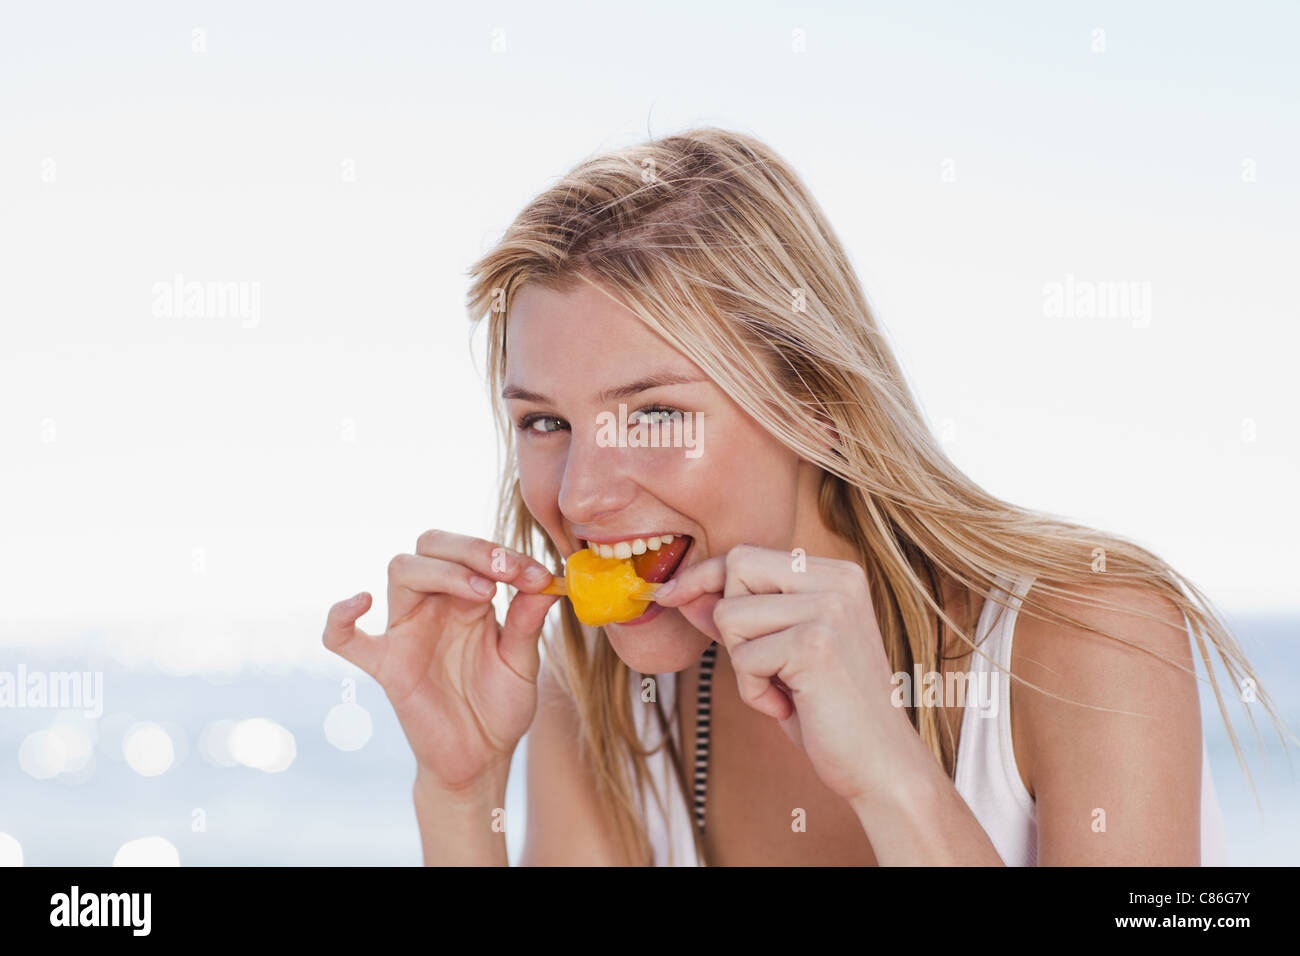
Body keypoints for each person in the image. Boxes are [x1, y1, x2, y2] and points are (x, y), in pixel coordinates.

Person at [322, 127, 1291, 866]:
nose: (578, 491)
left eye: (654, 412)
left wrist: (891, 775)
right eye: (543, 422)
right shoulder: (595, 696)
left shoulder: (1094, 633)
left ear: (815, 405)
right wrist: (458, 791)